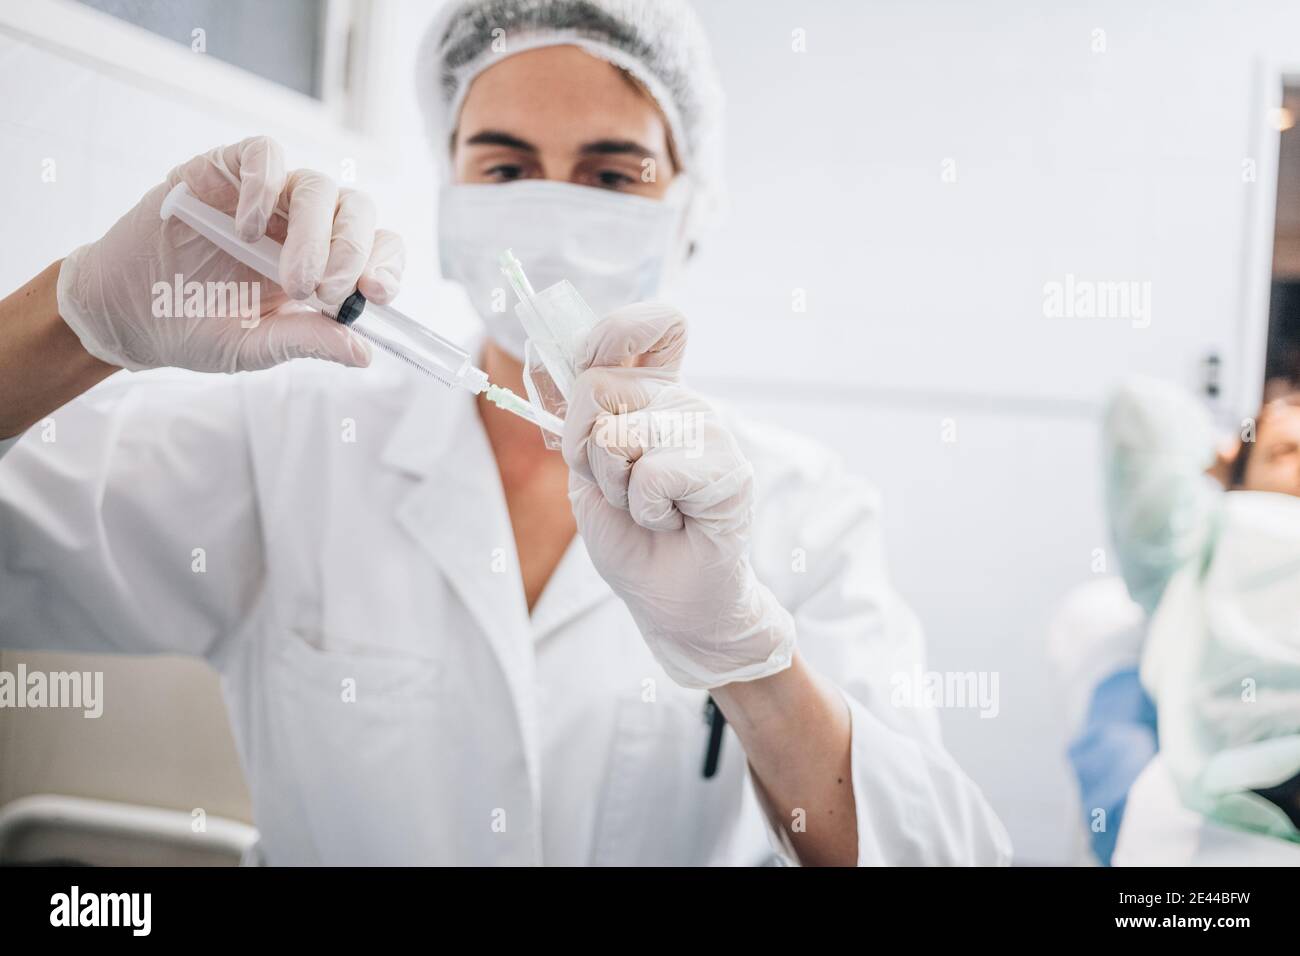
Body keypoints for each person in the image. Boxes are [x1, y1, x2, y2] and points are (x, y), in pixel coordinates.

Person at [0, 0, 1010, 866]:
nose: (554, 213)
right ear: (446, 192)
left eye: (613, 176)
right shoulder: (290, 435)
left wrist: (745, 656)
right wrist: (80, 312)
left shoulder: (802, 505)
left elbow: (936, 849)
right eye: (506, 167)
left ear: (690, 206)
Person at [1095, 378, 1300, 864]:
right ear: (1233, 471)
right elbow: (1139, 412)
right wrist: (1225, 457)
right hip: (1269, 752)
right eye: (1286, 452)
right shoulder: (1213, 529)